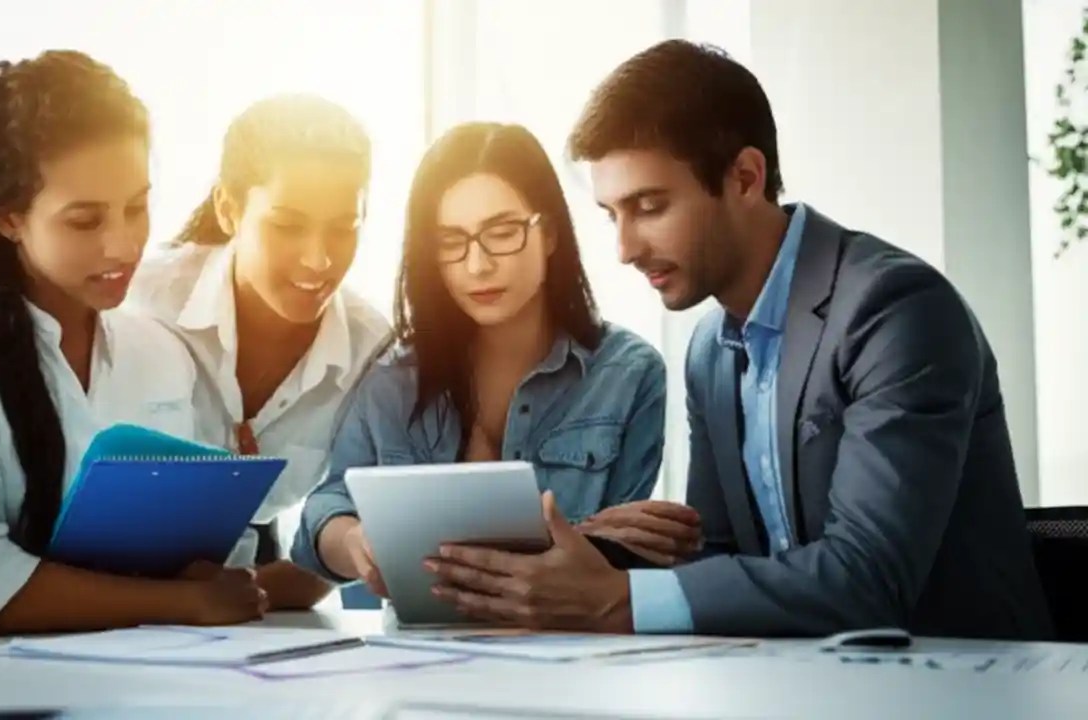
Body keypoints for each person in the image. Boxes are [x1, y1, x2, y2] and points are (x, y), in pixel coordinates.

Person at [425, 40, 1054, 640]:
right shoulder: (710, 350)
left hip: (957, 682)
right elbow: (722, 560)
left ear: (746, 178)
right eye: (612, 214)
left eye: (649, 206)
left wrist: (617, 598)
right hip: (792, 676)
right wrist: (594, 552)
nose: (624, 248)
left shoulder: (894, 310)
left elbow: (868, 580)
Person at [0, 51, 268, 639]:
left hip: (113, 670)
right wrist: (185, 602)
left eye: (137, 208)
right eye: (84, 221)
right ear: (8, 218)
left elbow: (213, 556)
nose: (124, 245)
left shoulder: (161, 353)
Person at [291, 122, 700, 597]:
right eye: (451, 242)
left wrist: (597, 544)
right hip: (424, 637)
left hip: (566, 634)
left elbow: (620, 558)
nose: (478, 265)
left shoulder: (628, 375)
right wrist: (353, 540)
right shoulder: (394, 379)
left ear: (549, 234)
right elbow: (325, 511)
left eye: (503, 233)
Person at [127, 94, 391, 609]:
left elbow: (339, 544)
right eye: (287, 226)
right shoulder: (142, 302)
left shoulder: (372, 351)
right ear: (229, 209)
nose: (319, 259)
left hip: (242, 615)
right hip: (101, 598)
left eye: (343, 228)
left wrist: (230, 599)